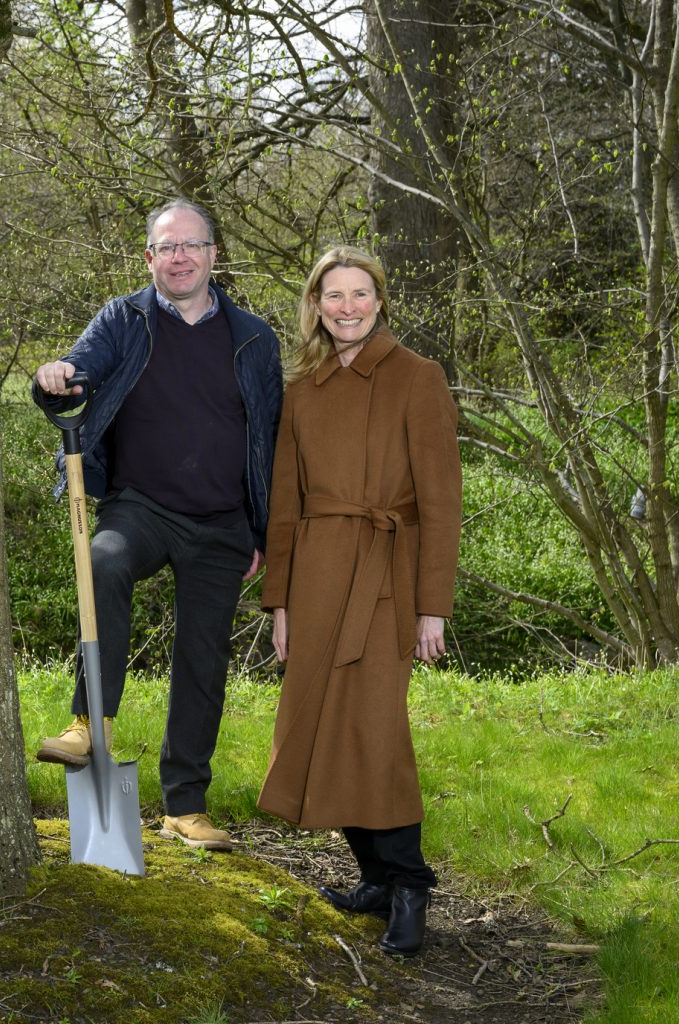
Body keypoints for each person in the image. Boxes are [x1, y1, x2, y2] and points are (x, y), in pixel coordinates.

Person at [32, 198, 283, 851]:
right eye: (166, 248)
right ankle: (88, 726)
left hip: (224, 520)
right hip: (142, 505)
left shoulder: (254, 338)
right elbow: (74, 376)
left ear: (212, 256)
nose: (179, 258)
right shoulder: (125, 318)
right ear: (149, 258)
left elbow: (270, 442)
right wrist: (55, 377)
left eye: (191, 246)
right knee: (105, 560)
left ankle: (185, 805)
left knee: (203, 657)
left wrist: (262, 531)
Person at [257, 246, 461, 958]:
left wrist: (433, 605)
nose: (347, 307)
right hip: (315, 578)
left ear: (381, 300)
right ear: (315, 304)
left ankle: (410, 884)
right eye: (333, 295)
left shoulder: (417, 377)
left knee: (375, 729)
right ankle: (374, 878)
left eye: (360, 294)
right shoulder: (303, 388)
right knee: (320, 724)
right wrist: (278, 601)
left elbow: (441, 502)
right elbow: (286, 504)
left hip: (386, 576)